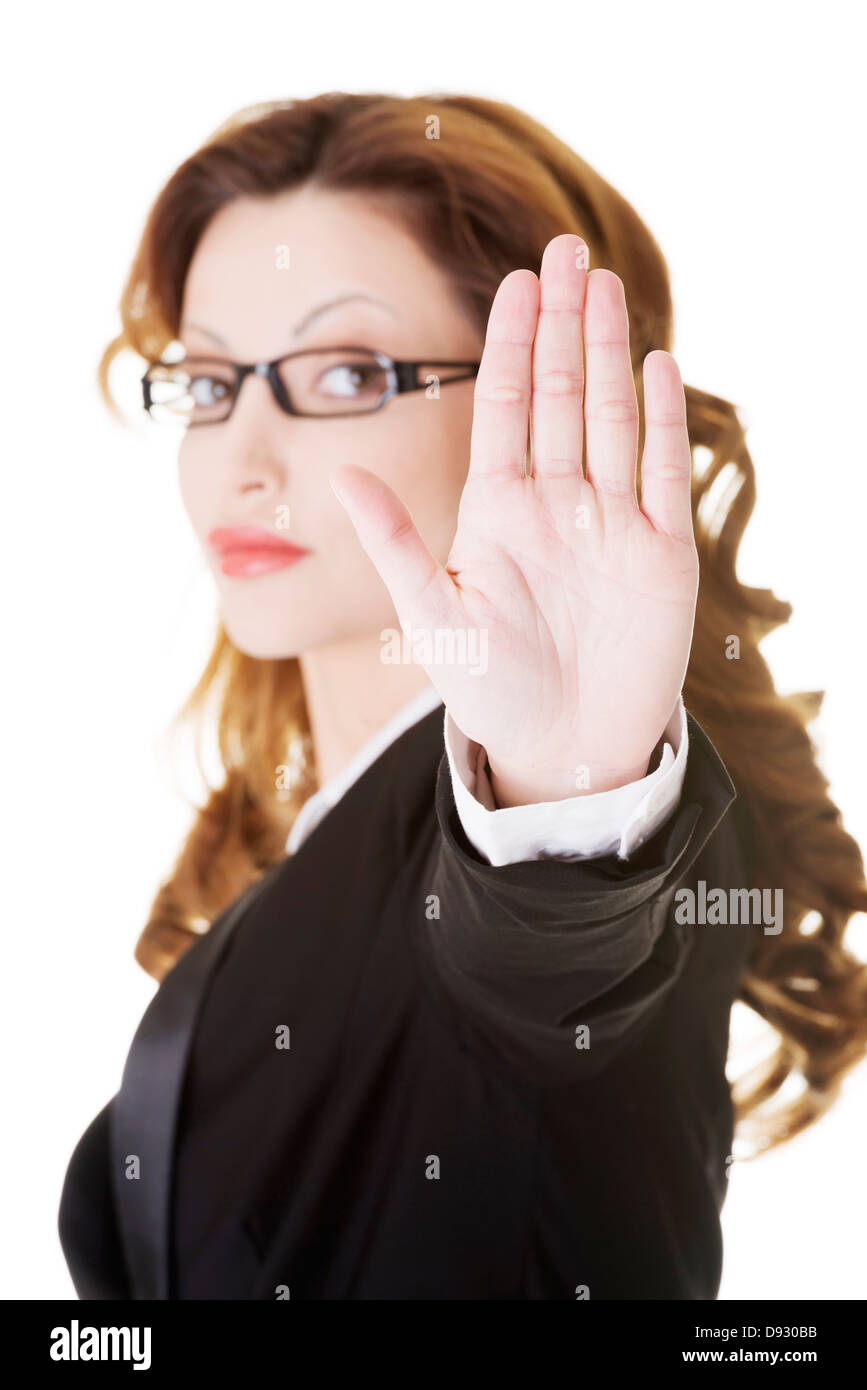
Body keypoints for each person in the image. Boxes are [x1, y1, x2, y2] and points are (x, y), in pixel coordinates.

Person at [57, 91, 867, 1301]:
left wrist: (565, 799)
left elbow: (546, 977)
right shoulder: (324, 846)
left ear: (546, 404)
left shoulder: (549, 827)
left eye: (346, 373)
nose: (245, 454)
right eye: (213, 380)